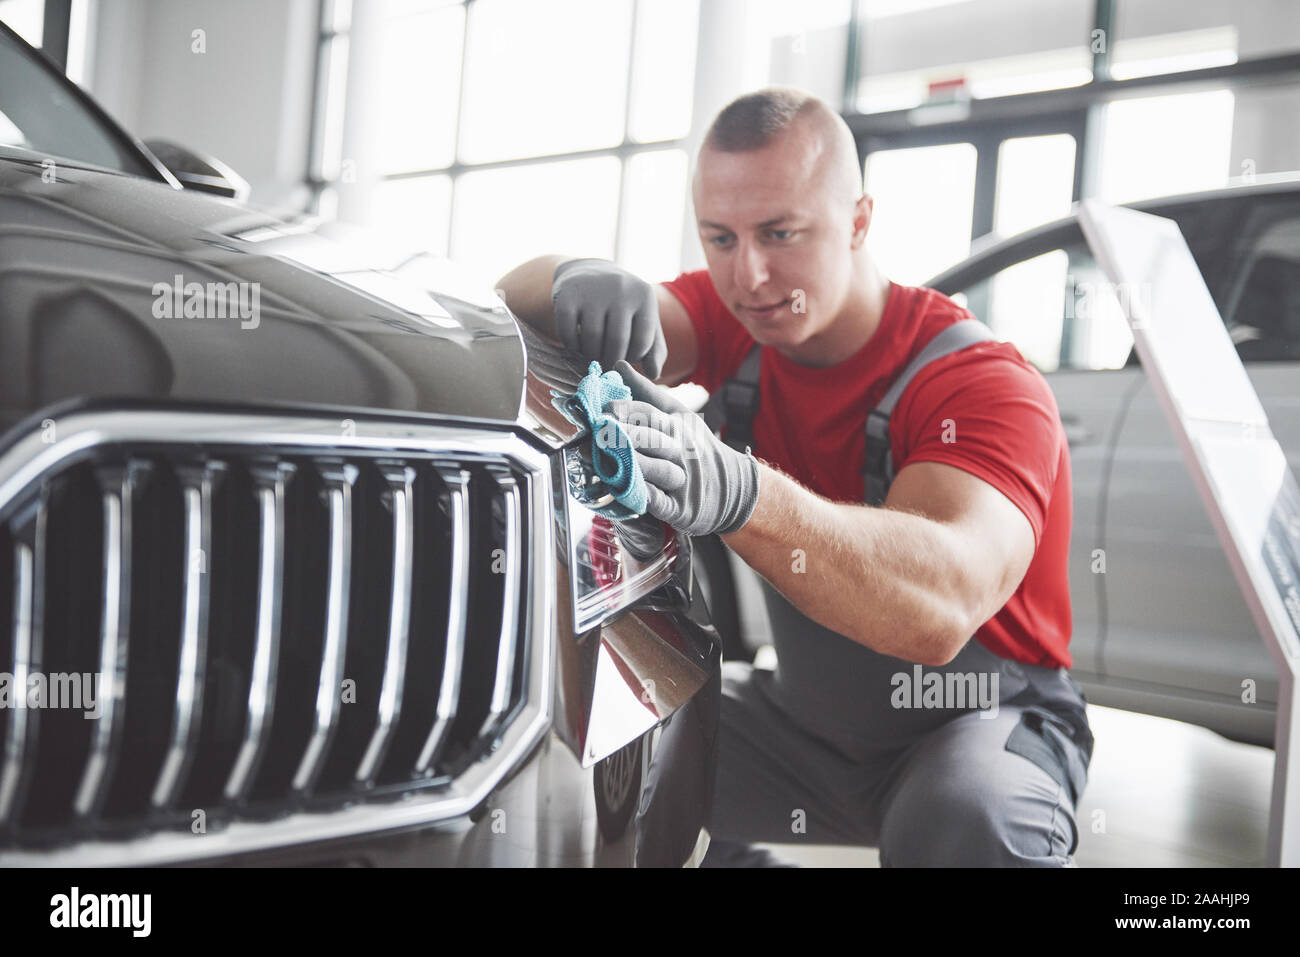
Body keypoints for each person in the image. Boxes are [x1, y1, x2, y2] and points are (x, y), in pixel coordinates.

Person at [495, 86, 1093, 867]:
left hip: (976, 720)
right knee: (595, 753)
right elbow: (516, 305)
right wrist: (568, 278)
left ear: (859, 221)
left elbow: (939, 609)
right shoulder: (739, 321)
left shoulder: (977, 382)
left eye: (781, 233)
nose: (749, 275)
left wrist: (742, 493)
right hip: (806, 724)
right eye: (720, 237)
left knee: (965, 822)